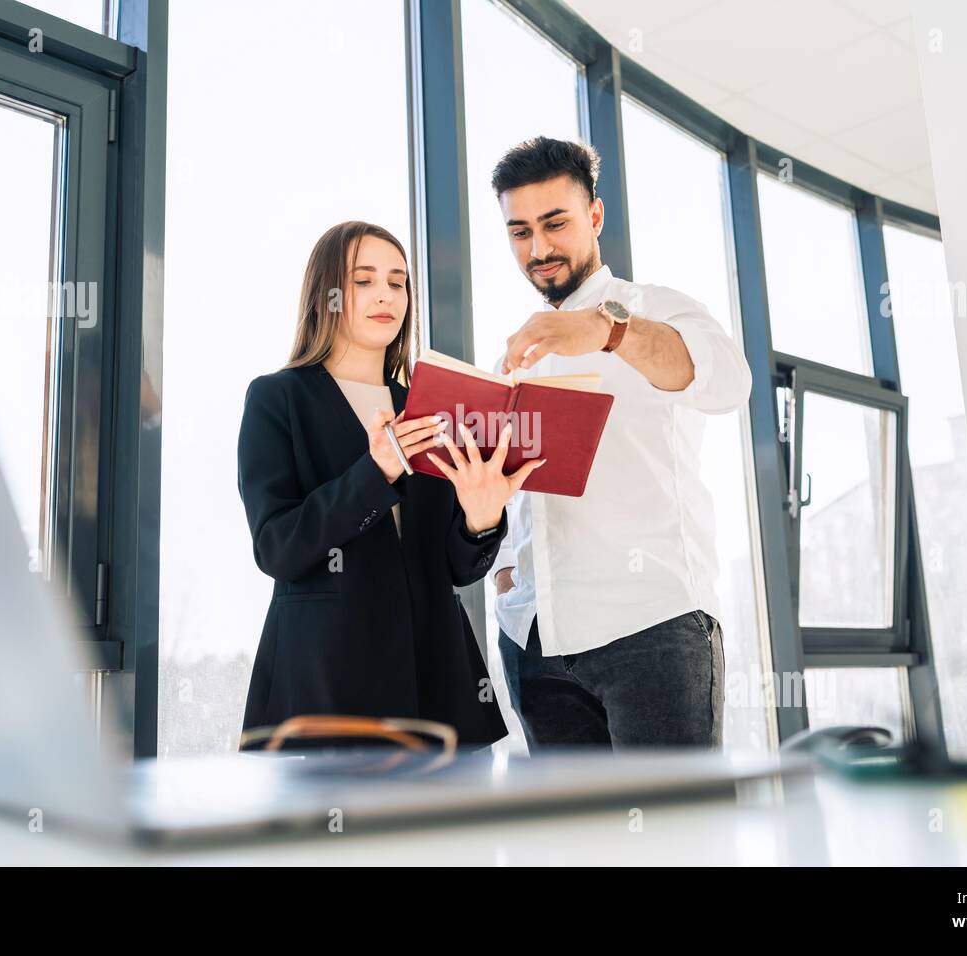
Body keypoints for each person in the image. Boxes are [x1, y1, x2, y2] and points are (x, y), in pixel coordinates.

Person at [486, 137, 753, 750]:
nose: (539, 249)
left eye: (556, 224)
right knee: (580, 847)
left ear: (596, 216)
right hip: (534, 645)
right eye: (519, 232)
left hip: (651, 630)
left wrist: (608, 332)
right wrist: (505, 576)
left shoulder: (656, 310)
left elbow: (728, 383)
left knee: (671, 843)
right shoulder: (509, 357)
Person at [236, 221, 543, 750]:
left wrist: (481, 518)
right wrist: (374, 471)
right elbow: (277, 547)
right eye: (364, 280)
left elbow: (457, 568)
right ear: (323, 295)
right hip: (326, 687)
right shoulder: (277, 399)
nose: (386, 295)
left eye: (398, 282)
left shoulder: (431, 405)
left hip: (440, 687)